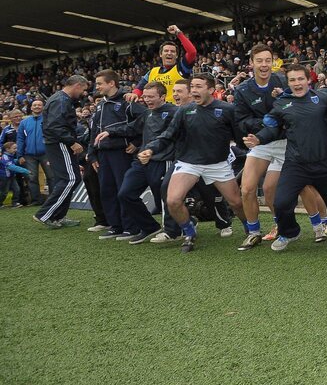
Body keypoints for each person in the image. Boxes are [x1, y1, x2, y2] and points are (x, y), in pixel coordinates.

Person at [232, 45, 327, 250]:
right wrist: (267, 124)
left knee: (305, 185)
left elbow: (304, 100)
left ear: (273, 62)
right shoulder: (243, 90)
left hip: (288, 141)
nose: (264, 65)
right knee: (248, 188)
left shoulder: (283, 80)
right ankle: (256, 232)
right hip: (262, 142)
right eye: (259, 60)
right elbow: (241, 121)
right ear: (251, 63)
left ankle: (320, 223)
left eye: (267, 60)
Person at [243, 65, 327, 252]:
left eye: (300, 79)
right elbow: (273, 128)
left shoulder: (323, 99)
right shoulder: (281, 104)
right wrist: (259, 138)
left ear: (308, 80)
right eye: (292, 80)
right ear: (288, 83)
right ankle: (290, 232)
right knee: (282, 202)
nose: (297, 83)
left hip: (325, 162)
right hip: (296, 164)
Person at [137, 74, 245, 253]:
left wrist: (249, 147)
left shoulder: (227, 109)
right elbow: (168, 135)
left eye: (198, 86)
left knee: (236, 203)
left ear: (211, 90)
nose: (194, 90)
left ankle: (251, 230)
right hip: (189, 162)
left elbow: (238, 136)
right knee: (173, 201)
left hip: (217, 164)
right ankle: (188, 232)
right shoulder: (184, 110)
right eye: (192, 86)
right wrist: (151, 149)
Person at [116, 82, 176, 244]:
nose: (147, 100)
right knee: (125, 193)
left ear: (162, 97)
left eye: (151, 97)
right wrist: (108, 131)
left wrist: (152, 150)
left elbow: (169, 137)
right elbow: (131, 128)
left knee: (163, 198)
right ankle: (150, 227)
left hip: (162, 160)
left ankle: (176, 228)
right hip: (141, 161)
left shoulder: (174, 112)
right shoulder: (147, 114)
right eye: (145, 97)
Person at [89, 69, 145, 241]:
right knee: (107, 190)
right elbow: (93, 131)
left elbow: (144, 120)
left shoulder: (127, 101)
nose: (97, 87)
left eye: (99, 83)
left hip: (121, 153)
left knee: (123, 189)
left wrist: (136, 142)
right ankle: (116, 226)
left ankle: (131, 227)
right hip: (103, 154)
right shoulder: (100, 104)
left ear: (111, 83)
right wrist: (92, 154)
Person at [33, 75, 91, 228]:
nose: (84, 93)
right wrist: (72, 142)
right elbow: (55, 126)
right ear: (77, 85)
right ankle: (45, 214)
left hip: (57, 142)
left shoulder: (60, 99)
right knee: (70, 179)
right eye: (83, 89)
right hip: (60, 143)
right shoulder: (61, 100)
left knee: (70, 179)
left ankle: (58, 216)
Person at [130, 25, 198, 103]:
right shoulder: (152, 72)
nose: (169, 53)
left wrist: (178, 33)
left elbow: (192, 52)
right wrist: (135, 94)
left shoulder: (182, 68)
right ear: (160, 54)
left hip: (177, 111)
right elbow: (139, 88)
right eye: (166, 51)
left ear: (176, 55)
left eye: (172, 51)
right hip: (157, 112)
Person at [16, 99, 51, 206]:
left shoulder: (48, 119)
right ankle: (36, 200)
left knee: (51, 176)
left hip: (47, 154)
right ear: (31, 108)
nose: (37, 107)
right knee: (31, 178)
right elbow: (20, 139)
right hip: (29, 155)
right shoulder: (24, 122)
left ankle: (53, 200)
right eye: (35, 105)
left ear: (43, 107)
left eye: (39, 105)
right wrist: (20, 155)